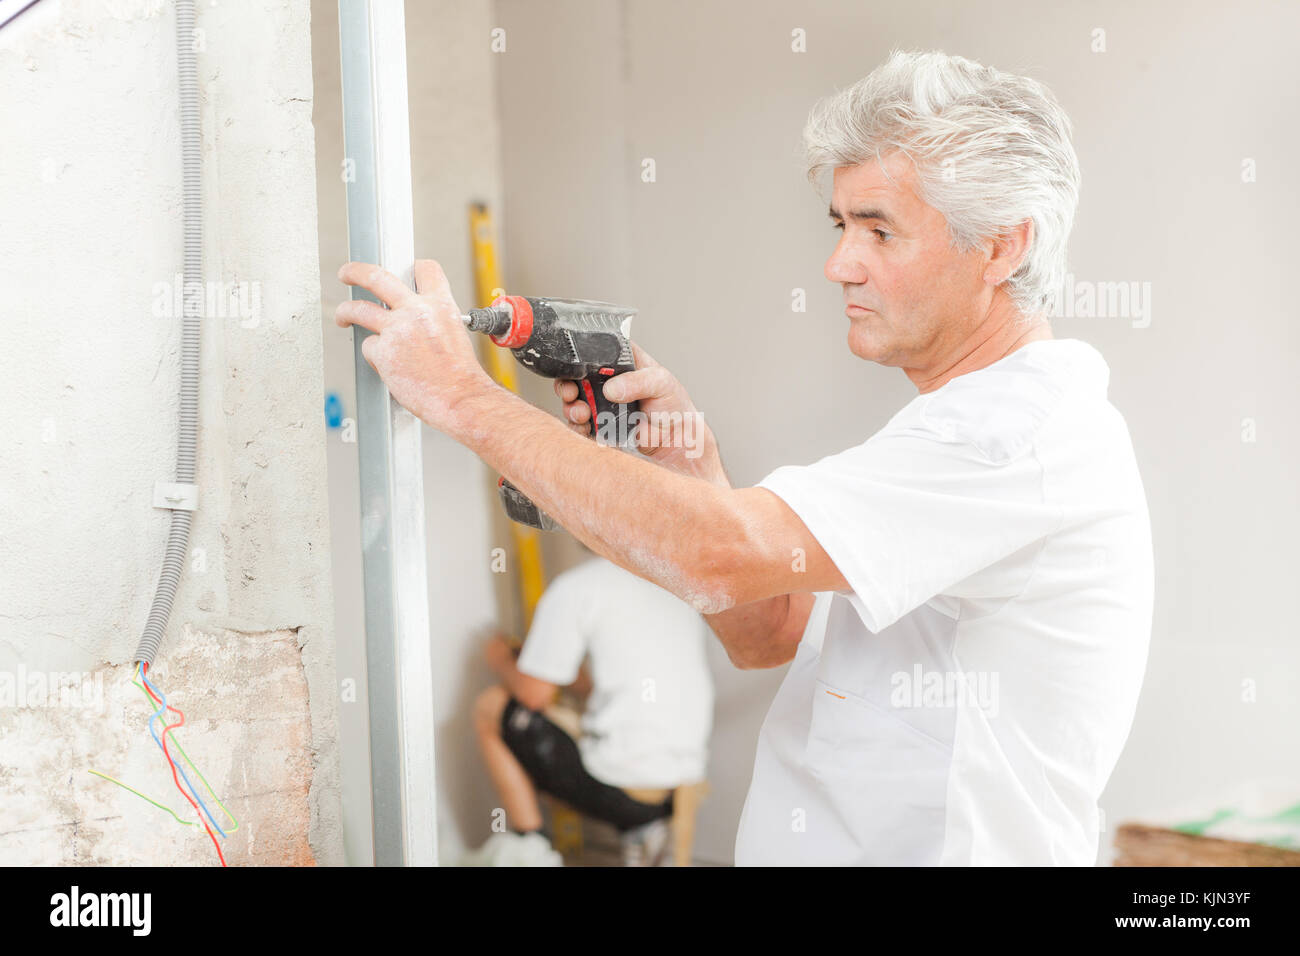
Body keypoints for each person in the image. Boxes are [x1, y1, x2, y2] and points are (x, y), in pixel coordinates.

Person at [335, 49, 1153, 865]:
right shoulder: (949, 432)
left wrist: (463, 397)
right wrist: (693, 472)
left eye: (880, 230)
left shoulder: (1013, 432)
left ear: (1003, 246)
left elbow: (718, 554)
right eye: (841, 225)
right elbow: (770, 631)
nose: (840, 265)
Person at [461, 554, 713, 866]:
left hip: (623, 792)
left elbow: (533, 696)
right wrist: (547, 665)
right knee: (594, 718)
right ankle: (644, 830)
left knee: (492, 705)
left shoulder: (576, 587)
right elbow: (606, 687)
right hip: (680, 790)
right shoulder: (675, 582)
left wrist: (499, 657)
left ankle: (530, 851)